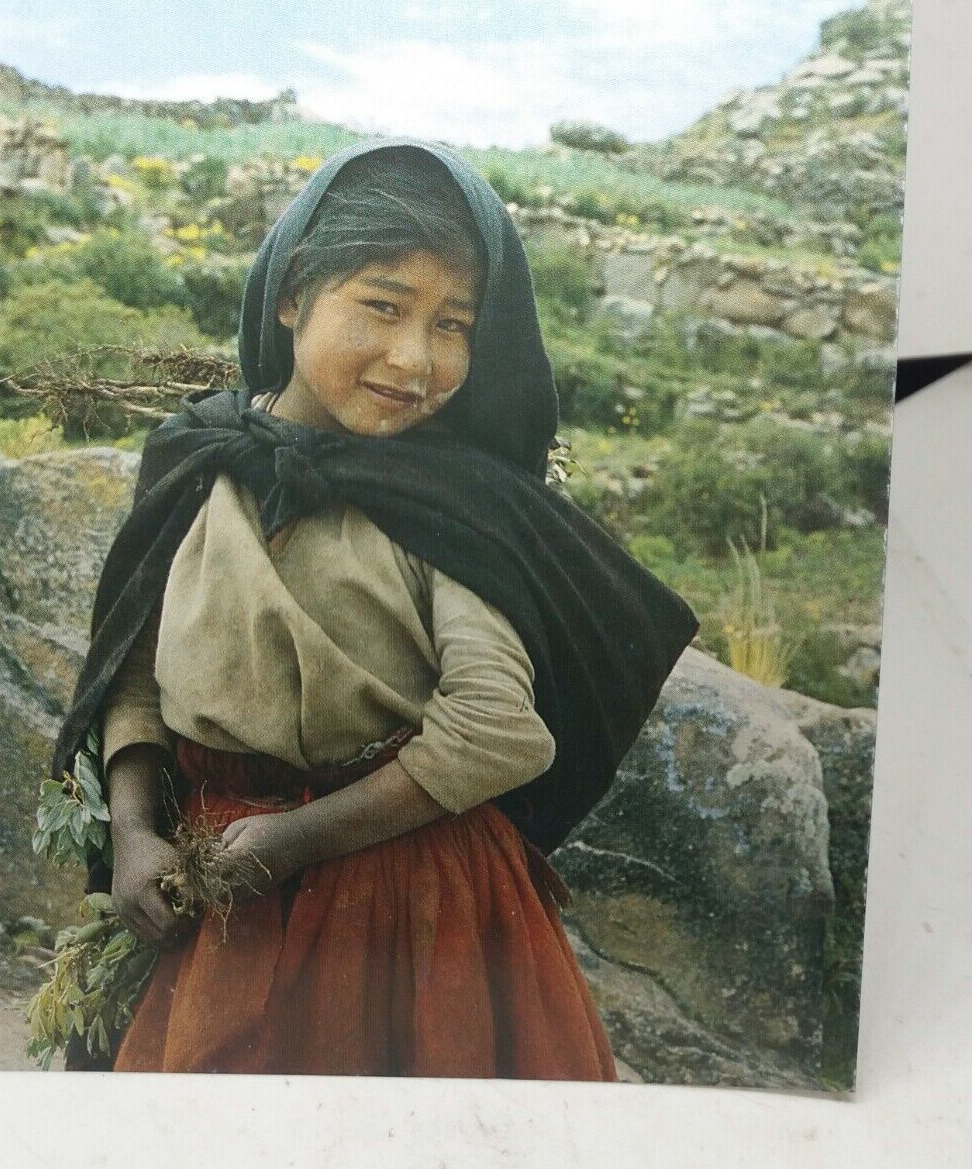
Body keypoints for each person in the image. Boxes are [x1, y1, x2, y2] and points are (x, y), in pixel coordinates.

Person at [54, 139, 699, 1078]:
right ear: (290, 295)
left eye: (454, 325)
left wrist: (297, 840)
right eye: (384, 307)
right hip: (214, 886)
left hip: (407, 912)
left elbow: (494, 731)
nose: (415, 358)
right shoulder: (200, 459)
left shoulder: (457, 507)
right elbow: (137, 669)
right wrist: (135, 831)